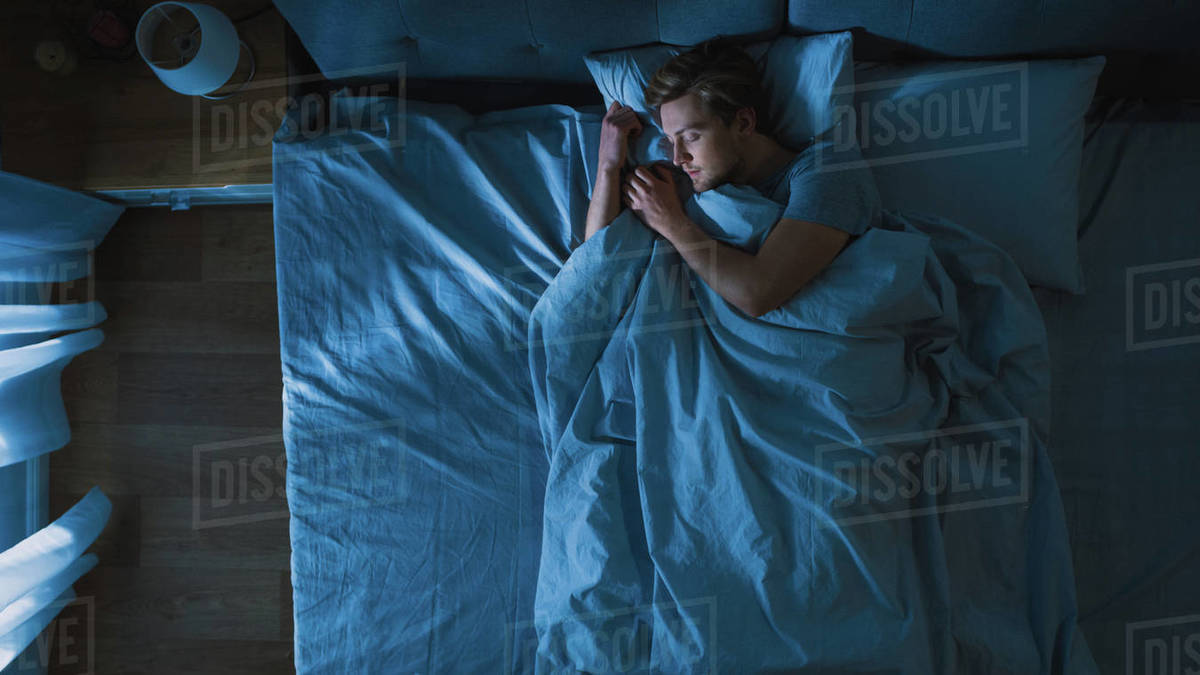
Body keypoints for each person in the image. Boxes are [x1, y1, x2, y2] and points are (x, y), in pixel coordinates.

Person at [584, 38, 881, 318]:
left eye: (691, 137)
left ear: (743, 122)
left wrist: (671, 222)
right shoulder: (689, 175)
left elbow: (758, 294)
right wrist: (608, 164)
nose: (678, 157)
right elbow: (595, 263)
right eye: (671, 139)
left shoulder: (825, 171)